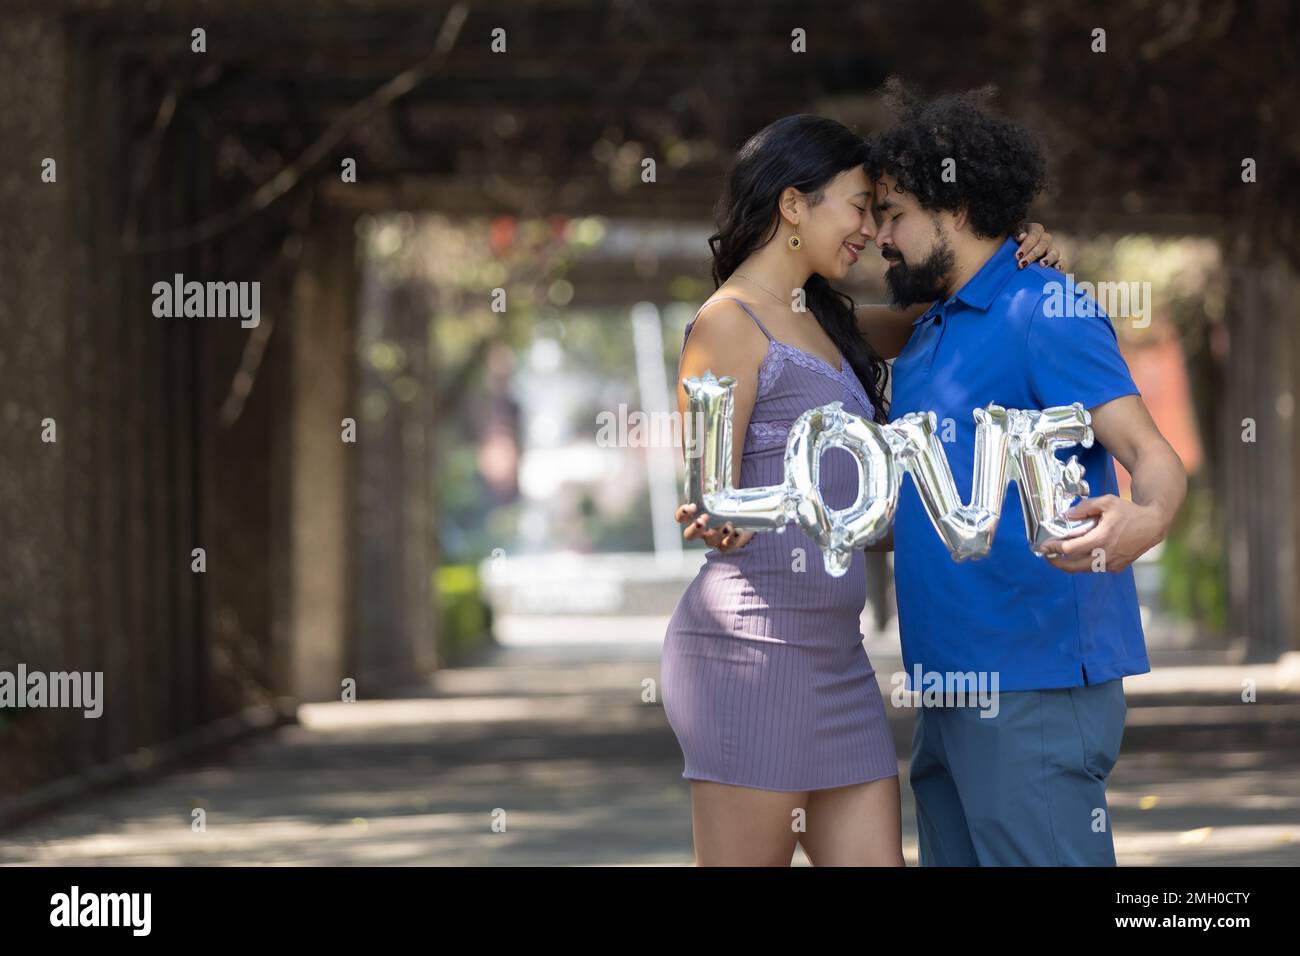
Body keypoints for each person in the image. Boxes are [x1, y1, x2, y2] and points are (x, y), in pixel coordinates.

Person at [662, 112, 1065, 866]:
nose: (871, 232)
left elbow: (945, 316)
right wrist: (715, 513)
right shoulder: (727, 324)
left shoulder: (829, 319)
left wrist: (1017, 248)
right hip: (750, 654)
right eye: (857, 206)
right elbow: (703, 489)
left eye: (883, 214)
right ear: (793, 204)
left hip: (838, 662)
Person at [868, 84, 1186, 865]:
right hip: (945, 685)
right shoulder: (926, 336)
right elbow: (815, 319)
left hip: (1032, 680)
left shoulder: (1047, 308)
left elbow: (1155, 458)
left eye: (893, 214)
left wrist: (1147, 520)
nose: (879, 235)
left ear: (957, 207)